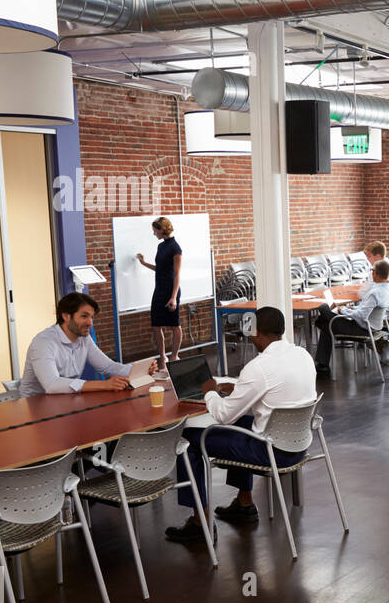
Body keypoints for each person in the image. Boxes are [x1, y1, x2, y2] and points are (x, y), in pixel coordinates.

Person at [167, 306, 316, 544]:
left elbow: (224, 416)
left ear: (256, 333)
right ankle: (244, 503)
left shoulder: (258, 367)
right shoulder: (302, 354)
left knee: (188, 440)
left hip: (271, 452)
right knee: (247, 423)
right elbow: (278, 390)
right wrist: (239, 389)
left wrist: (209, 393)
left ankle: (200, 523)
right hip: (299, 445)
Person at [19, 292, 157, 396]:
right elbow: (52, 384)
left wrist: (139, 370)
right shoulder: (43, 342)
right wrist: (104, 385)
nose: (90, 323)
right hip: (34, 408)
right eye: (84, 316)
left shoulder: (83, 338)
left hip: (65, 402)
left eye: (91, 317)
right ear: (66, 316)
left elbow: (108, 367)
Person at [314, 259, 389, 376]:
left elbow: (361, 316)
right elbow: (368, 311)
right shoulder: (388, 290)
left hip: (362, 329)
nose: (371, 273)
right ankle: (322, 366)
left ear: (376, 273)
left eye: (372, 271)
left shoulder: (375, 293)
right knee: (327, 325)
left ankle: (322, 365)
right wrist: (353, 309)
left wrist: (344, 310)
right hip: (374, 327)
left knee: (323, 308)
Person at [135, 216, 183, 362]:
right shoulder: (161, 246)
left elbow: (176, 275)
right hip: (159, 290)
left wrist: (173, 297)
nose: (154, 233)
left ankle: (174, 356)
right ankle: (163, 357)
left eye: (155, 230)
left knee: (175, 325)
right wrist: (144, 264)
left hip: (171, 290)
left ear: (162, 230)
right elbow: (161, 269)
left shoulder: (176, 248)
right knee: (156, 325)